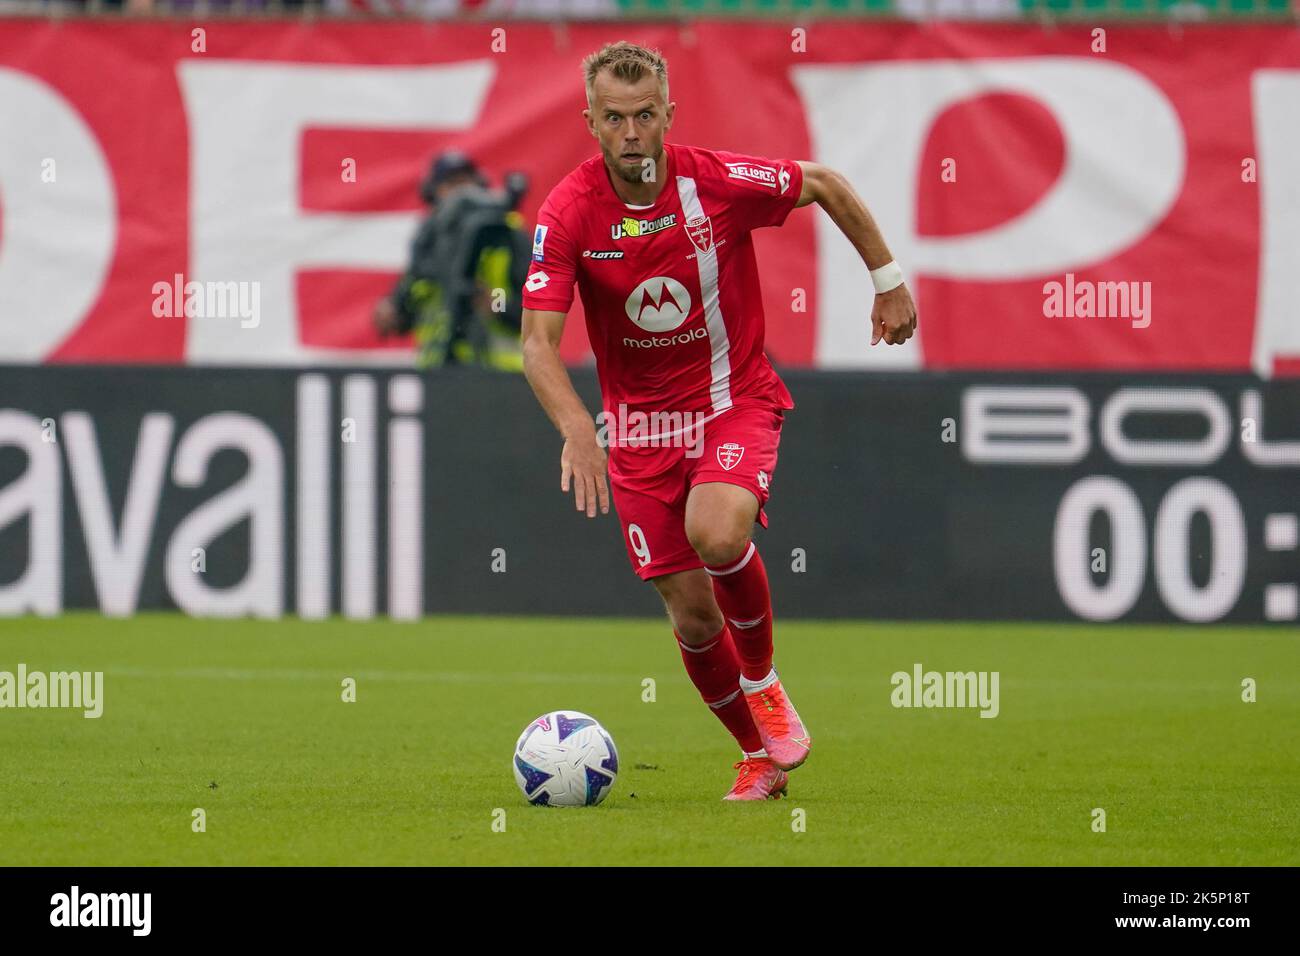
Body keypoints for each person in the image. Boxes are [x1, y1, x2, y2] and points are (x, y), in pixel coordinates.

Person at [520, 41, 917, 801]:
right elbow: (537, 345)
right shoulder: (568, 211)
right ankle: (756, 754)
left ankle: (763, 681)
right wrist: (577, 429)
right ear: (591, 122)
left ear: (669, 113)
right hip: (637, 433)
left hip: (733, 402)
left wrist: (888, 281)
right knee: (695, 619)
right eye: (614, 118)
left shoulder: (717, 182)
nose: (631, 132)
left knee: (719, 531)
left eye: (644, 116)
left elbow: (825, 183)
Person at [375, 151, 529, 370]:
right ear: (433, 192)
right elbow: (410, 304)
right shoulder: (428, 240)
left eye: (465, 181)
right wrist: (392, 313)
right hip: (438, 373)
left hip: (498, 377)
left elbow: (538, 309)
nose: (460, 191)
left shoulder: (507, 232)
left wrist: (496, 303)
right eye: (450, 184)